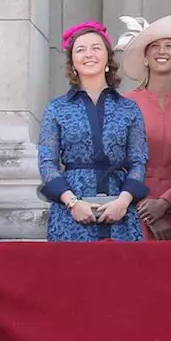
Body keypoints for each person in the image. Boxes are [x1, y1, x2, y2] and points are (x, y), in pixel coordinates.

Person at [39, 21, 148, 242]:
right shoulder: (56, 108)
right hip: (71, 211)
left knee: (121, 274)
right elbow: (47, 163)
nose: (89, 54)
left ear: (108, 57)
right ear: (73, 63)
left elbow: (138, 161)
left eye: (96, 48)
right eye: (81, 50)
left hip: (120, 211)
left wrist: (123, 202)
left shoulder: (129, 108)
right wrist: (73, 203)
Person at [117, 13, 171, 241]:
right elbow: (118, 163)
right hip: (134, 206)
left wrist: (165, 204)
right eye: (154, 46)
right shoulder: (125, 104)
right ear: (145, 56)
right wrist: (148, 209)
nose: (161, 51)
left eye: (169, 46)